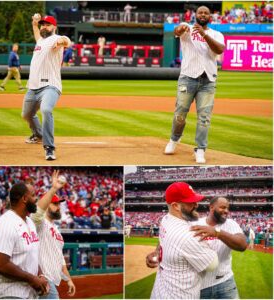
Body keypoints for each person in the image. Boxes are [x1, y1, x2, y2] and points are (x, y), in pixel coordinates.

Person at [164, 6, 225, 164]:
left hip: (208, 80)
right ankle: (174, 139)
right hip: (188, 77)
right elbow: (176, 31)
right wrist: (180, 28)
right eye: (200, 12)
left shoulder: (216, 34)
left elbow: (219, 49)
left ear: (209, 16)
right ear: (195, 15)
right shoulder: (187, 28)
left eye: (206, 13)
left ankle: (200, 149)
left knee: (204, 118)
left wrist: (204, 34)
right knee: (180, 115)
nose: (203, 15)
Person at [148, 182, 218, 299]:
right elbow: (212, 265)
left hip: (159, 293)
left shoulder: (165, 219)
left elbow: (161, 241)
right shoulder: (189, 235)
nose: (196, 204)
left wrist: (156, 252)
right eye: (191, 202)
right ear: (176, 206)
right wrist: (207, 240)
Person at [22, 14, 71, 160]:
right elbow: (37, 32)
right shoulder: (40, 41)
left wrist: (62, 41)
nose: (44, 27)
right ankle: (38, 135)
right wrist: (34, 23)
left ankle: (49, 147)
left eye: (47, 24)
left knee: (46, 109)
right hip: (33, 87)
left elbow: (67, 41)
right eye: (43, 24)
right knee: (26, 115)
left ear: (54, 27)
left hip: (50, 86)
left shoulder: (56, 38)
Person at [0, 182, 49, 299]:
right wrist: (32, 279)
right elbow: (0, 264)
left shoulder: (30, 222)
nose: (36, 198)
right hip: (8, 294)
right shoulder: (6, 223)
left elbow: (32, 256)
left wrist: (40, 275)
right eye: (33, 195)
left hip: (28, 294)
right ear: (25, 198)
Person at [30, 171, 76, 299]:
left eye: (58, 204)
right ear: (47, 204)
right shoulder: (40, 223)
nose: (58, 207)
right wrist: (54, 189)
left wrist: (68, 279)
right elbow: (37, 213)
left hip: (51, 280)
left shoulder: (56, 230)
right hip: (42, 278)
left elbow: (60, 258)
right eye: (55, 204)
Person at [190, 197, 247, 299]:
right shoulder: (195, 223)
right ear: (211, 207)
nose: (226, 211)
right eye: (222, 207)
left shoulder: (230, 224)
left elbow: (242, 245)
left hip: (225, 282)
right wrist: (157, 251)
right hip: (199, 285)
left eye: (227, 208)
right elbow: (174, 237)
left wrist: (217, 233)